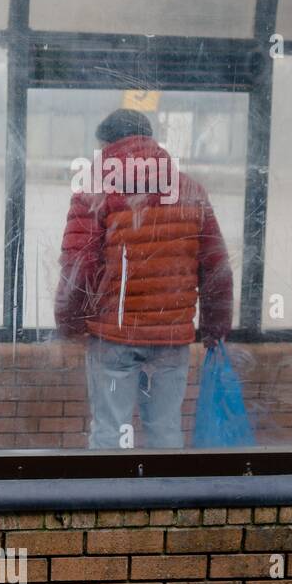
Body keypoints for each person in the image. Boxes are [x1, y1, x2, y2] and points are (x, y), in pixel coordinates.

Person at [55, 108, 233, 449]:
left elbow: (80, 265)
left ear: (107, 144)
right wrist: (214, 328)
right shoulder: (189, 189)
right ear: (151, 141)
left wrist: (69, 324)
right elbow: (216, 266)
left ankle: (107, 501)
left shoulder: (96, 189)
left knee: (109, 432)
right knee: (165, 431)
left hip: (113, 336)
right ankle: (169, 500)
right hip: (172, 336)